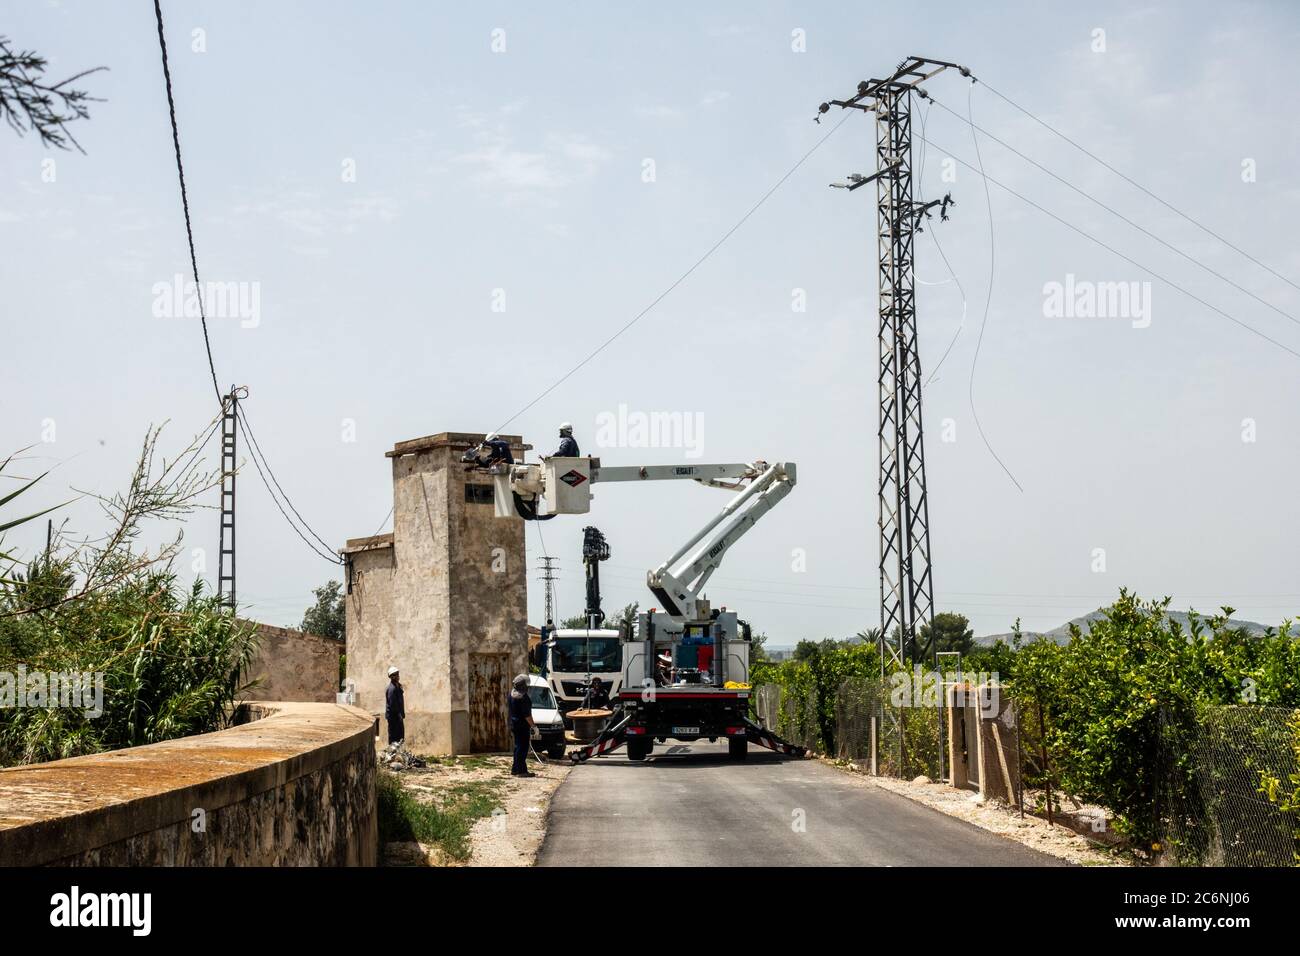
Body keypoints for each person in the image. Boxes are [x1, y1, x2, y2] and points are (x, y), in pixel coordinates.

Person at [507, 673, 535, 777]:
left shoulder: (511, 694)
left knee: (517, 747)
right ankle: (521, 771)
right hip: (522, 726)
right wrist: (534, 726)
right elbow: (527, 715)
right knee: (522, 748)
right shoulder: (523, 698)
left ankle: (515, 769)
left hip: (514, 724)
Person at [385, 666, 405, 746]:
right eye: (395, 675)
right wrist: (399, 714)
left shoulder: (397, 686)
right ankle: (393, 756)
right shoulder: (391, 689)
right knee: (394, 738)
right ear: (391, 677)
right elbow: (393, 705)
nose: (397, 676)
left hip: (398, 717)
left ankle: (398, 755)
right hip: (394, 718)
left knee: (400, 738)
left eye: (397, 674)